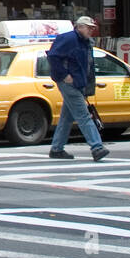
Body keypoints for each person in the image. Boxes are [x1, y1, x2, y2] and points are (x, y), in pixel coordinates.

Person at [47, 16, 110, 161]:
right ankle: (97, 147)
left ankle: (57, 149)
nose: (91, 30)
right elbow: (52, 57)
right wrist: (64, 76)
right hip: (69, 84)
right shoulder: (69, 39)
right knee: (84, 116)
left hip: (76, 84)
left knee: (66, 118)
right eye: (88, 27)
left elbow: (86, 66)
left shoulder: (84, 42)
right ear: (79, 27)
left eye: (92, 28)